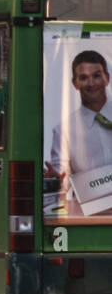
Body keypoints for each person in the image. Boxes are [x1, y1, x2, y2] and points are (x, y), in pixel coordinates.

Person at [46, 50, 112, 214]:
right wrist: (57, 180)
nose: (91, 83)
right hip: (91, 217)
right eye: (83, 77)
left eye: (96, 75)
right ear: (75, 83)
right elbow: (63, 178)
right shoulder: (64, 130)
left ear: (107, 79)